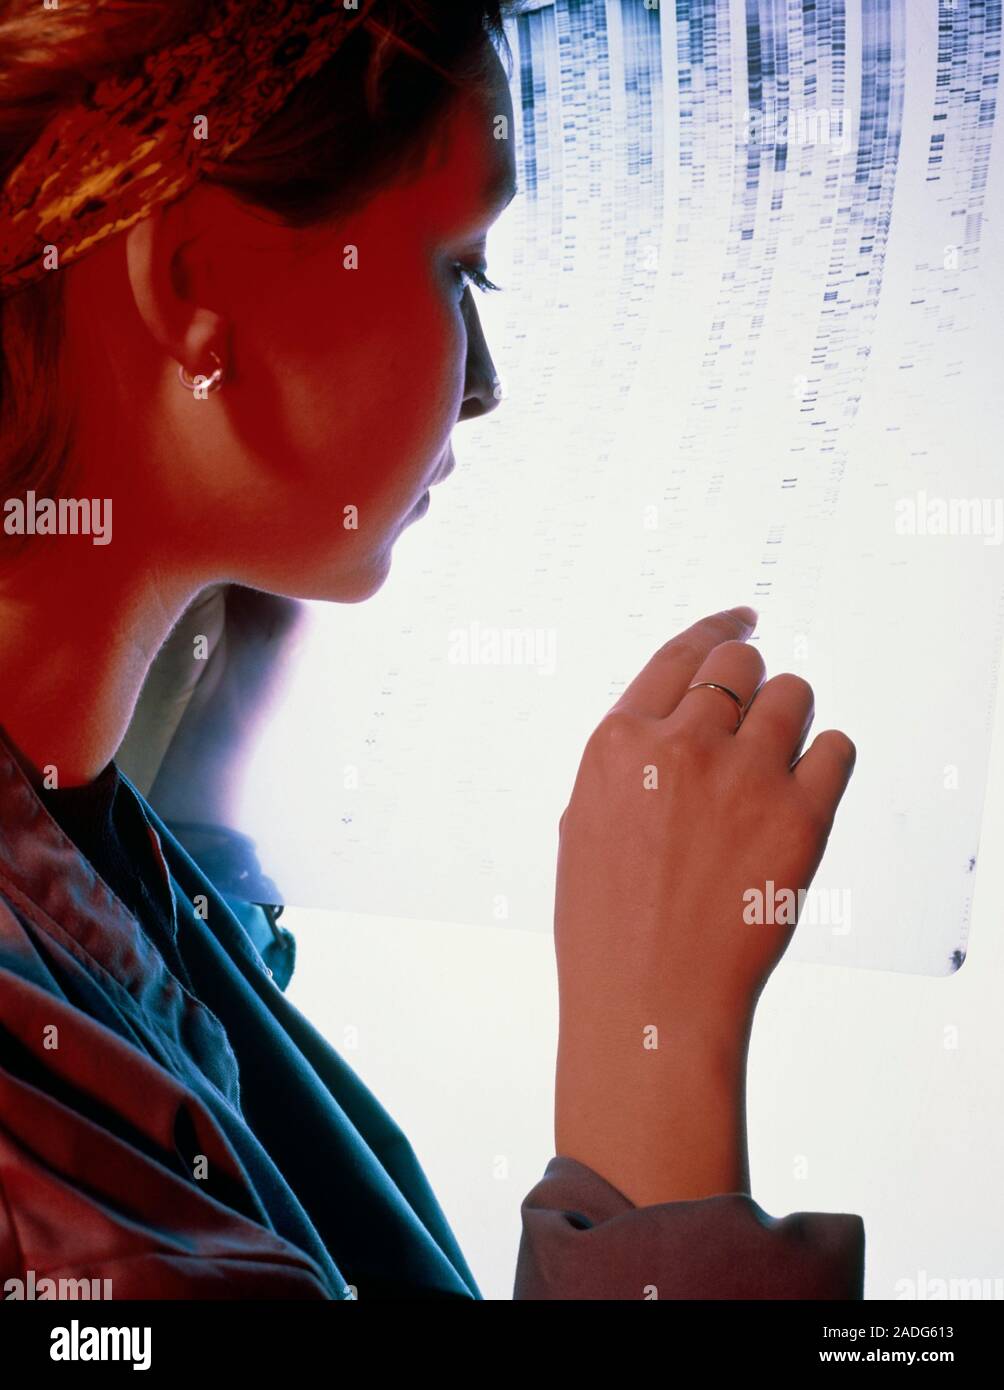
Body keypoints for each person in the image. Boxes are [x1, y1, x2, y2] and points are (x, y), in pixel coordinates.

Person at [0, 0, 863, 1299]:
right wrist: (657, 1066)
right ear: (196, 280)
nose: (485, 382)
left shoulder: (110, 853)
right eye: (462, 266)